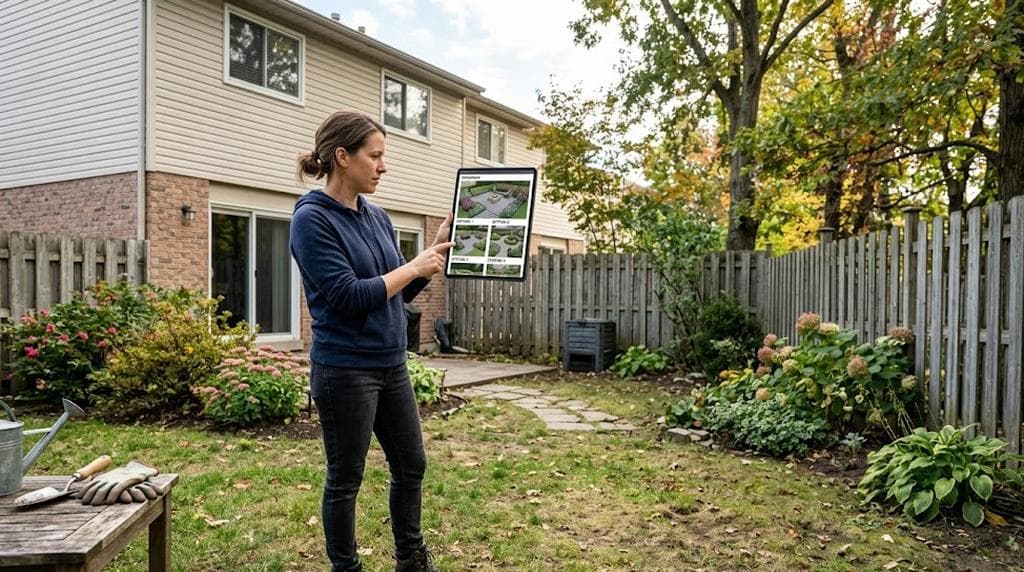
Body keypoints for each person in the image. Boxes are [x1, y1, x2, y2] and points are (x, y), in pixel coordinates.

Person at [290, 111, 454, 572]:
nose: (384, 166)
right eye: (375, 155)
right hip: (345, 369)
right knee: (346, 478)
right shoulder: (312, 220)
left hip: (390, 363)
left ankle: (410, 559)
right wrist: (412, 267)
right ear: (343, 157)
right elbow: (347, 296)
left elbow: (397, 292)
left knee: (411, 464)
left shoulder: (377, 216)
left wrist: (431, 253)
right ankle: (347, 568)